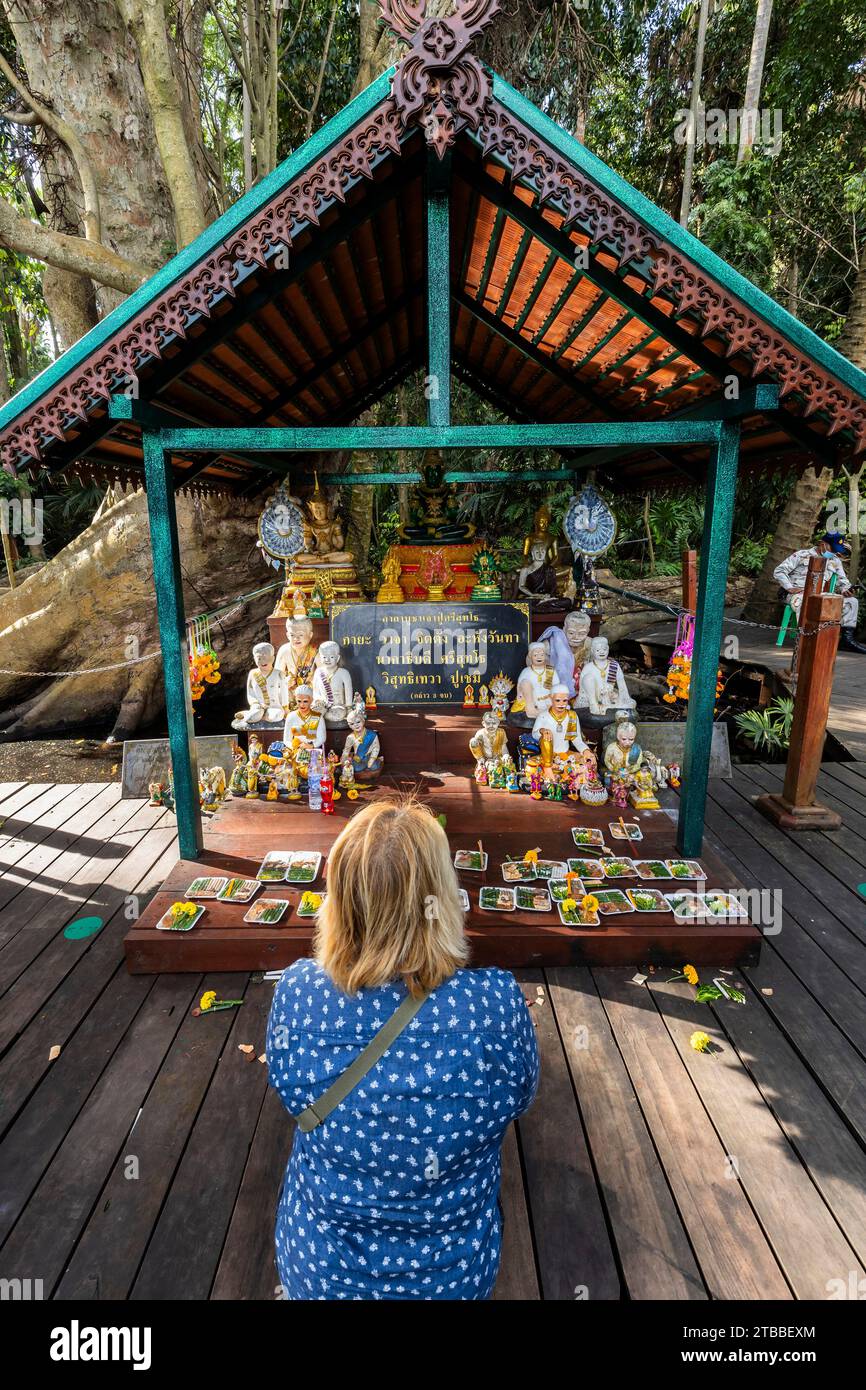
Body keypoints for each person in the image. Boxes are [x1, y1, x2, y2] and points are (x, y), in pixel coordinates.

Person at [266, 799, 539, 1300]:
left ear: (339, 899)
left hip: (320, 1272)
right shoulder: (497, 1005)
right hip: (454, 1279)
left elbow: (290, 1095)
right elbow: (520, 1101)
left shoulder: (298, 993)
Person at [774, 532, 865, 653]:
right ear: (822, 544)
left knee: (851, 601)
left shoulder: (835, 560)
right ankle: (807, 638)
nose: (834, 552)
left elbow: (842, 581)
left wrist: (846, 590)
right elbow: (779, 571)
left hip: (818, 594)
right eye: (832, 549)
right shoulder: (802, 555)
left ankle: (846, 640)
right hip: (795, 594)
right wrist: (789, 587)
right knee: (806, 601)